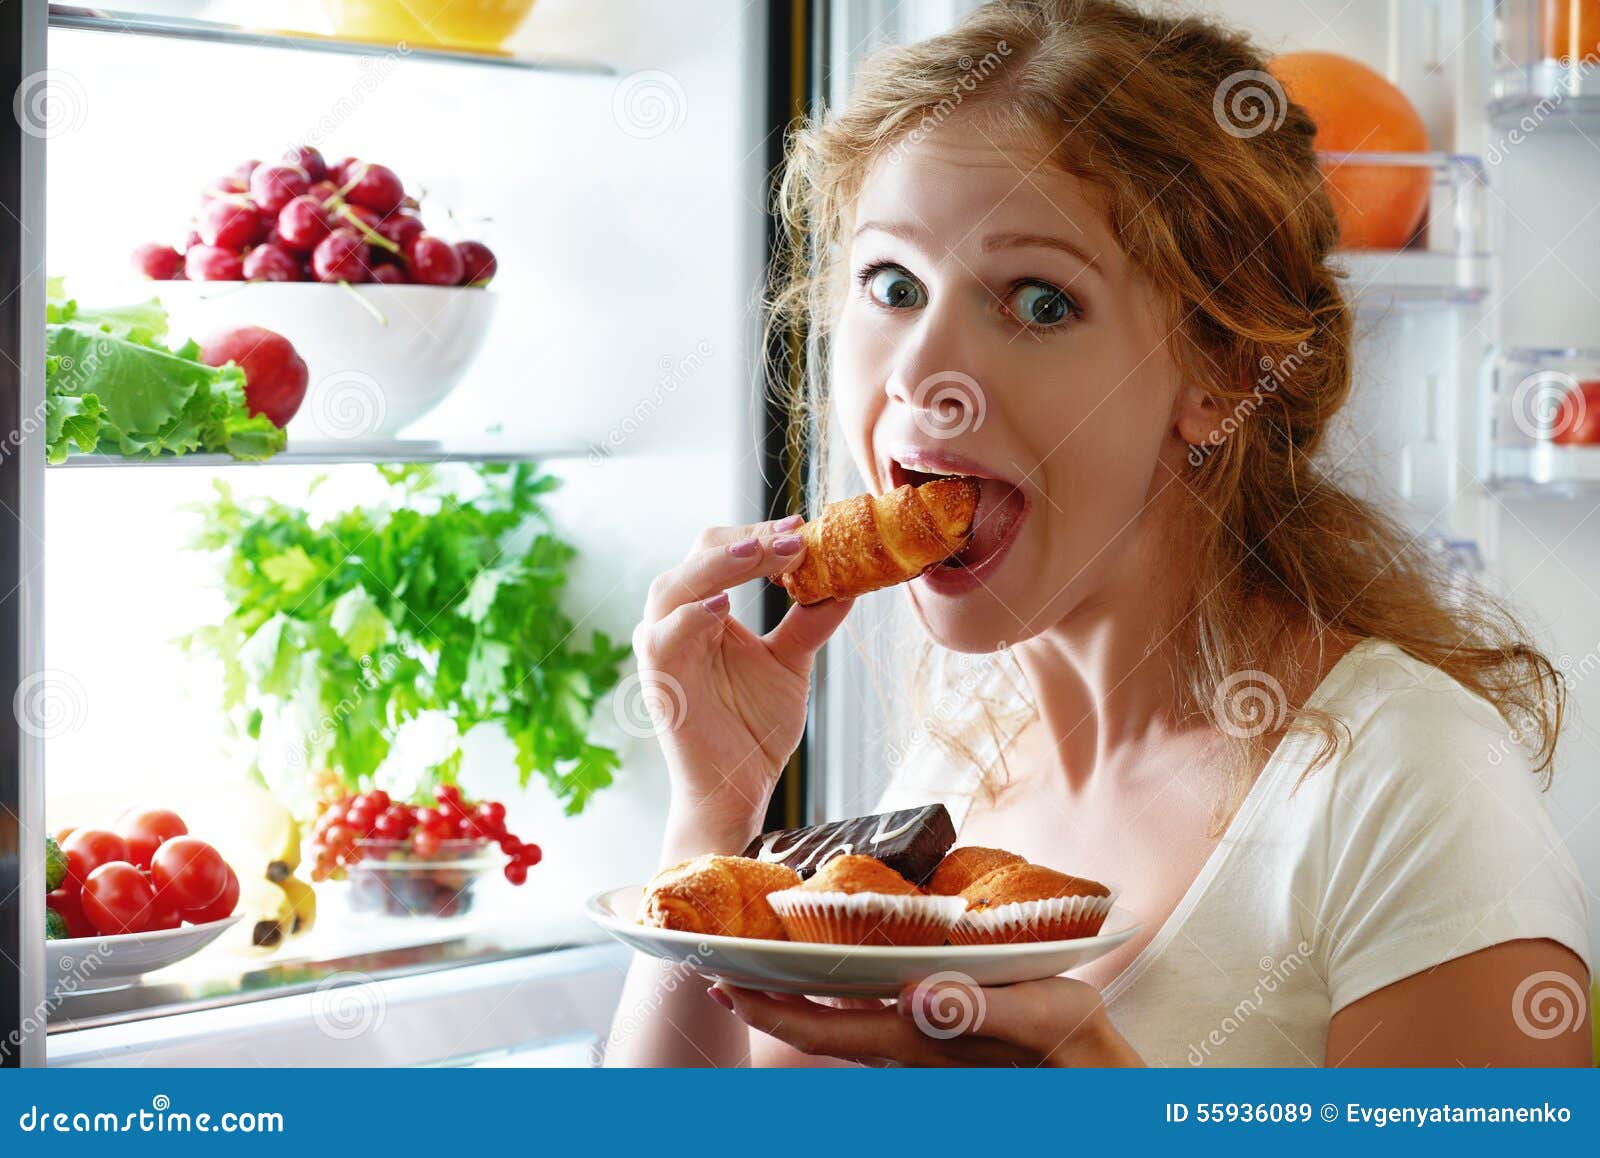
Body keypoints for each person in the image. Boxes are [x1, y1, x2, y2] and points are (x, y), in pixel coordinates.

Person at [606, 0, 1592, 1066]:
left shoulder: (1409, 783)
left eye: (1037, 303)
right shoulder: (962, 757)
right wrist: (713, 822)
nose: (922, 372)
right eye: (892, 286)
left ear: (1216, 374)